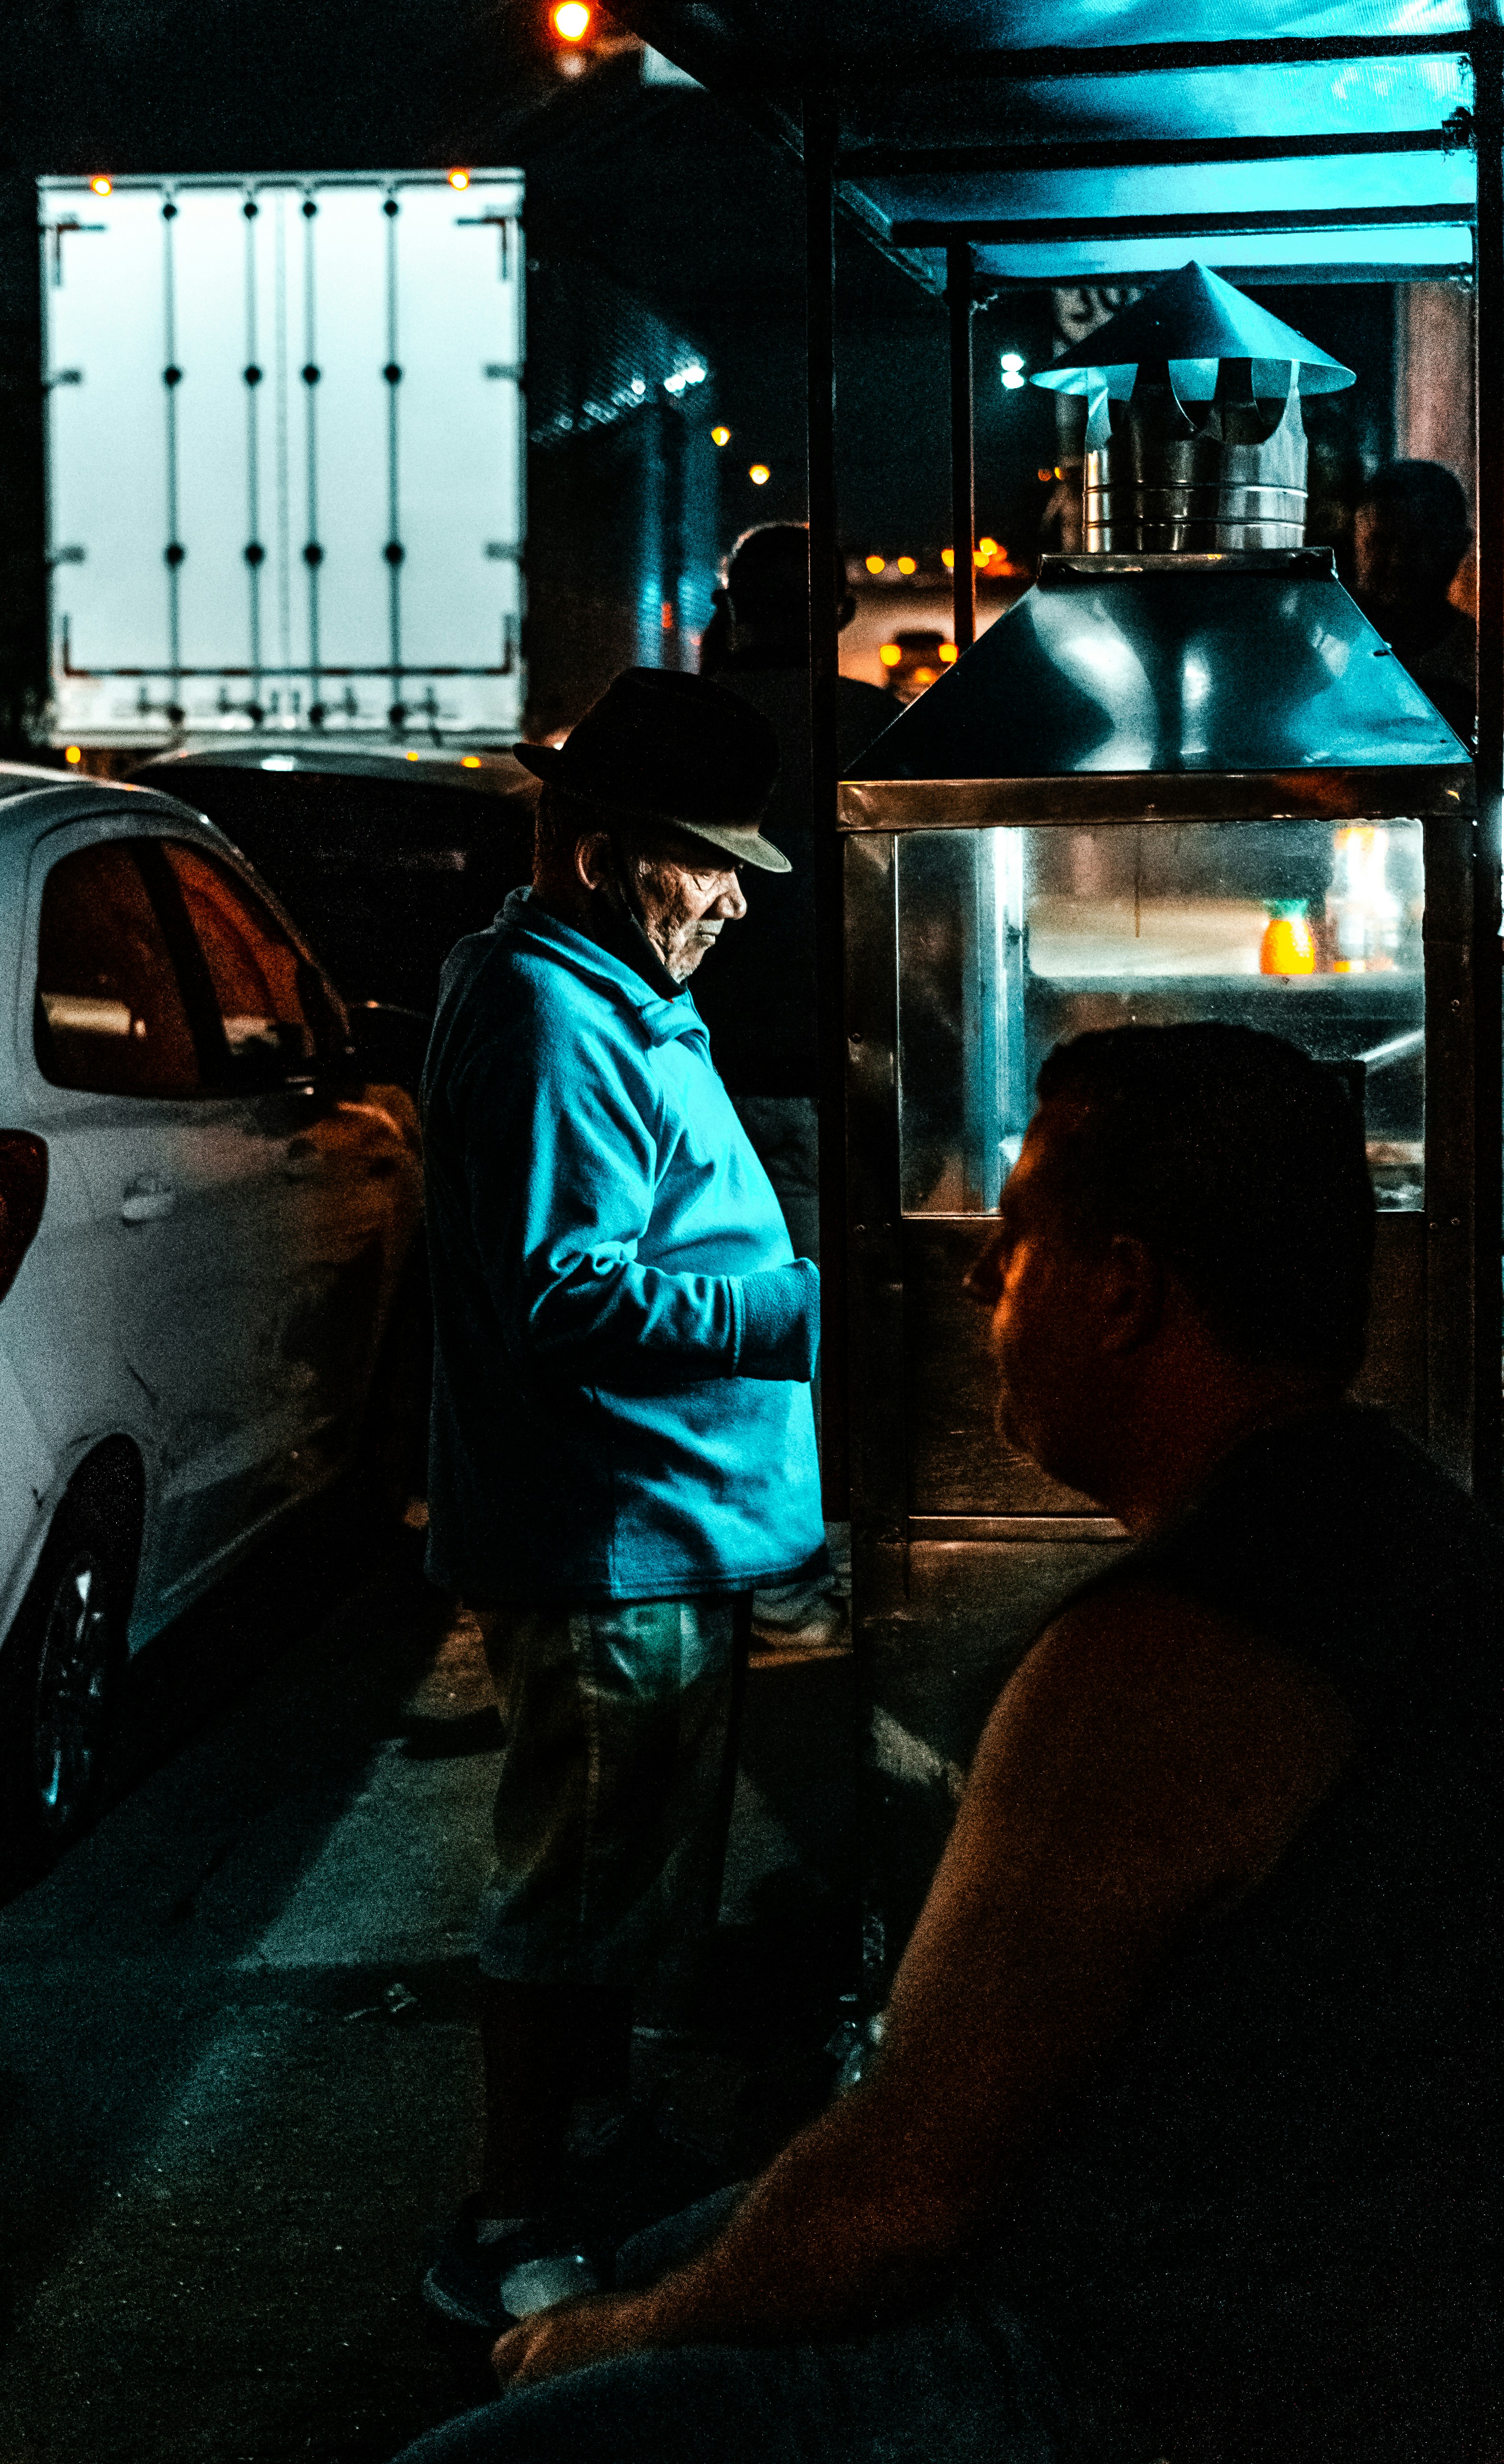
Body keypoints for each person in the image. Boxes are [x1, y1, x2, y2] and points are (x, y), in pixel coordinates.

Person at [394, 1022, 1495, 2464]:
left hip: (1174, 2369)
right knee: (675, 2235)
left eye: (1017, 1229)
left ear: (1122, 1289)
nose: (978, 1272)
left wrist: (587, 2342)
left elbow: (892, 2202)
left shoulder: (1160, 1658)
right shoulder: (1389, 1513)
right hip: (1340, 2286)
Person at [418, 667, 827, 2332]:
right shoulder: (548, 1015)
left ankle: (589, 2148)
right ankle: (510, 2223)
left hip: (666, 1528)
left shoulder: (603, 993)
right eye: (704, 857)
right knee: (572, 1893)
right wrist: (798, 1306)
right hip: (613, 1538)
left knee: (618, 1890)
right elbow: (560, 1292)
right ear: (600, 857)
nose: (732, 892)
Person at [695, 523, 892, 1650]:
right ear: (833, 613)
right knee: (804, 1339)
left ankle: (709, 1558)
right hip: (821, 1081)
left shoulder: (693, 727)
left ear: (733, 608)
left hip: (688, 1083)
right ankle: (785, 1577)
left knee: (696, 1324)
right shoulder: (866, 728)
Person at [1352, 457, 1476, 744]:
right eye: (1381, 542)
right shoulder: (1329, 649)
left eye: (1417, 544)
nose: (1397, 561)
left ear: (1458, 547)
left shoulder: (1483, 661)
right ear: (1356, 540)